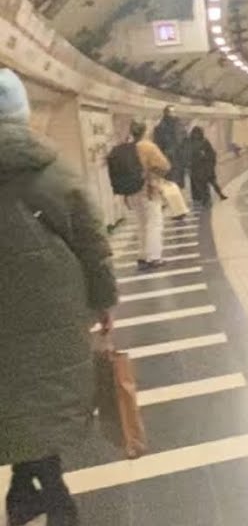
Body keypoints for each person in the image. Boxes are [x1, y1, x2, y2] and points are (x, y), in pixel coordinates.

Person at [0, 69, 117, 526]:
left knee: (11, 398)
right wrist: (103, 301)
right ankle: (53, 495)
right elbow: (92, 243)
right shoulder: (57, 170)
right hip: (56, 307)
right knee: (42, 398)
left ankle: (23, 490)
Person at [127, 121, 170, 269]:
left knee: (141, 224)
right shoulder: (148, 146)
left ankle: (142, 257)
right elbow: (165, 166)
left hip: (132, 191)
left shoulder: (128, 147)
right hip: (149, 190)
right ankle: (154, 257)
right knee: (154, 223)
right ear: (145, 131)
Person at [186, 126, 226, 207]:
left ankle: (220, 194)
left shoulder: (204, 141)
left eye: (197, 133)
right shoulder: (189, 142)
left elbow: (211, 153)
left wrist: (205, 156)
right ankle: (205, 200)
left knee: (213, 182)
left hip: (205, 167)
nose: (196, 135)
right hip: (196, 168)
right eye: (195, 133)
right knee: (201, 185)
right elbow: (187, 154)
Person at [152, 105, 185, 187]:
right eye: (171, 112)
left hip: (176, 156)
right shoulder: (160, 127)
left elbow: (183, 139)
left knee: (175, 179)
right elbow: (157, 143)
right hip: (168, 156)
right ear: (166, 113)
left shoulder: (178, 124)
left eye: (174, 112)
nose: (173, 114)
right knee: (170, 180)